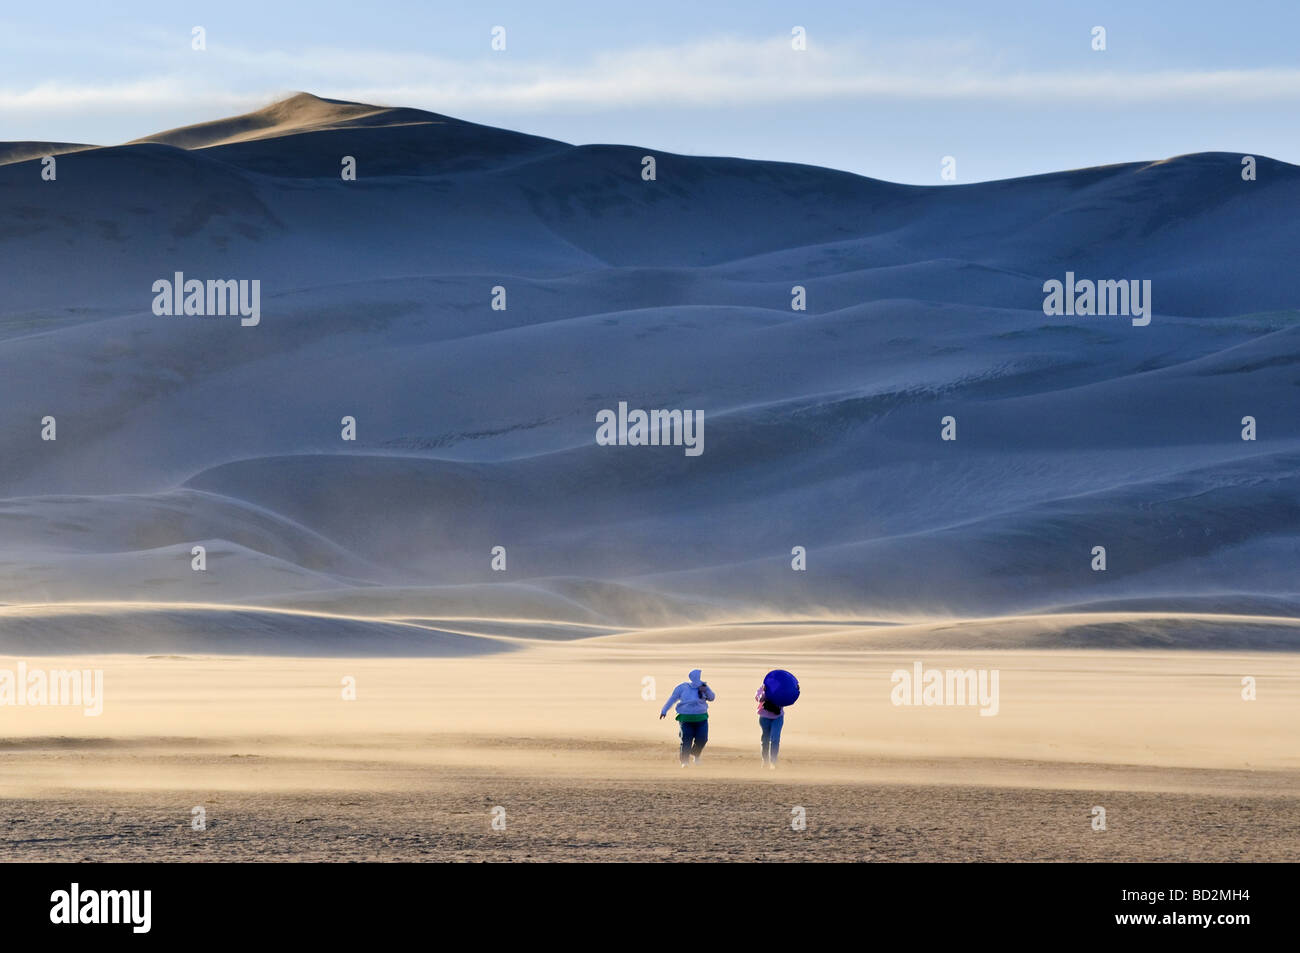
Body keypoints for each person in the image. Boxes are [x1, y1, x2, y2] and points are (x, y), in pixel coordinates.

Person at [659, 669, 715, 766]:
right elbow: (672, 699)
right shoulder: (682, 687)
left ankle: (695, 754)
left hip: (701, 718)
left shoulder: (703, 687)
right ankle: (684, 761)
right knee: (686, 739)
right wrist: (664, 710)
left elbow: (712, 698)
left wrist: (705, 690)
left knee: (702, 739)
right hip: (685, 718)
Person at [756, 683, 785, 769]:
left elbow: (788, 699)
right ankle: (765, 761)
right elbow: (759, 698)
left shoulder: (782, 688)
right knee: (765, 740)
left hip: (778, 717)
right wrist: (765, 691)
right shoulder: (762, 687)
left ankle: (774, 761)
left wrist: (794, 690)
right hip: (764, 717)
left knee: (775, 739)